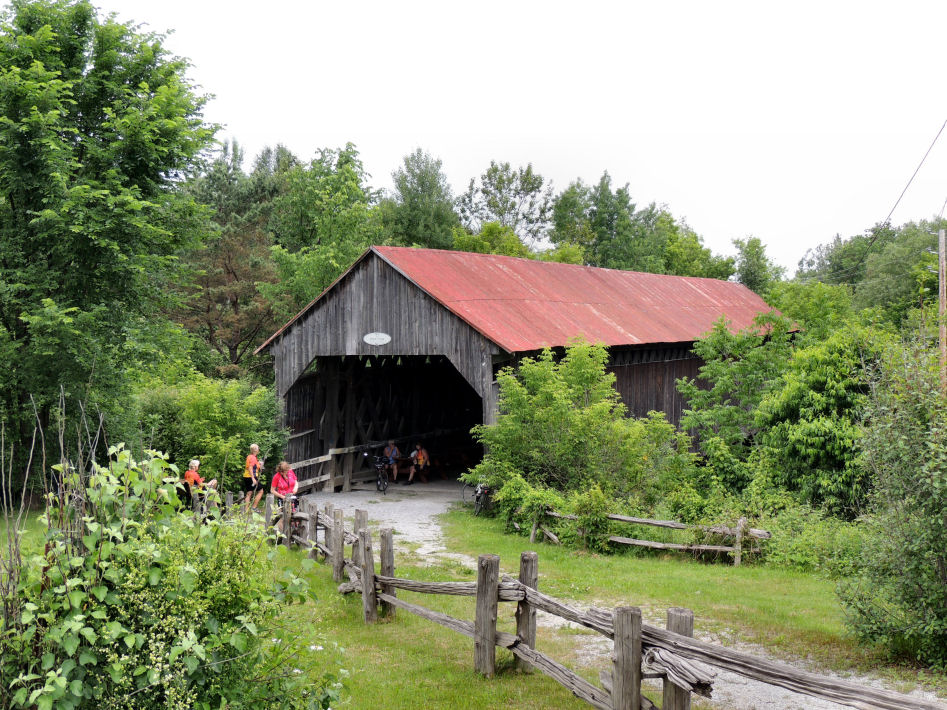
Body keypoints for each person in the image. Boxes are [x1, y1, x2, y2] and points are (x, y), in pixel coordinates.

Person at [270, 461, 299, 534]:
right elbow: (272, 490)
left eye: (285, 471)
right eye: (282, 472)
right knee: (283, 517)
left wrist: (295, 488)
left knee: (295, 515)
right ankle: (284, 535)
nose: (284, 473)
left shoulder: (290, 472)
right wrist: (282, 496)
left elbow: (296, 481)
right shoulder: (276, 477)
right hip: (282, 498)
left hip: (292, 497)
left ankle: (294, 534)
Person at [243, 444, 265, 512]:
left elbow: (255, 467)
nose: (259, 450)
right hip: (251, 477)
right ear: (255, 450)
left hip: (246, 476)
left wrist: (260, 464)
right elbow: (250, 467)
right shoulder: (253, 457)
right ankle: (254, 507)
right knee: (261, 491)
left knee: (249, 493)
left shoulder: (250, 457)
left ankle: (246, 510)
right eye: (258, 448)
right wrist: (253, 478)